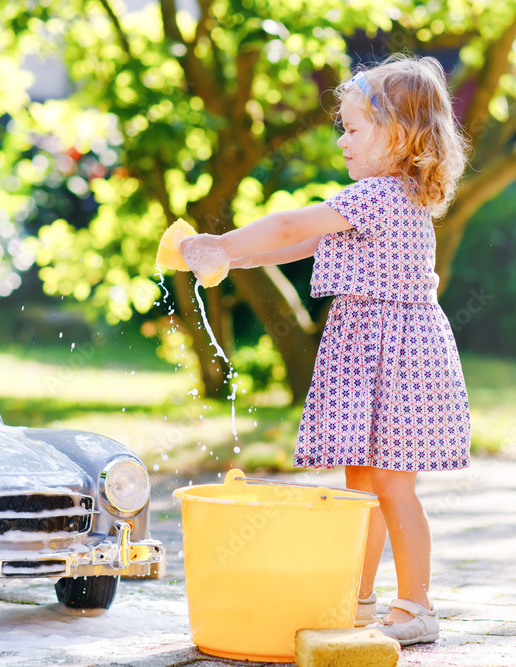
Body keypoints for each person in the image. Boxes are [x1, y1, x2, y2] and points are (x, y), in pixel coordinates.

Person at [179, 54, 472, 646]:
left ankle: (415, 607)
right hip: (380, 348)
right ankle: (356, 600)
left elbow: (289, 227)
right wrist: (229, 257)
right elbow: (296, 244)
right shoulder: (384, 197)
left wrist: (220, 242)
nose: (342, 139)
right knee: (361, 486)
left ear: (398, 135)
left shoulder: (380, 196)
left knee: (390, 486)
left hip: (393, 355)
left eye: (353, 127)